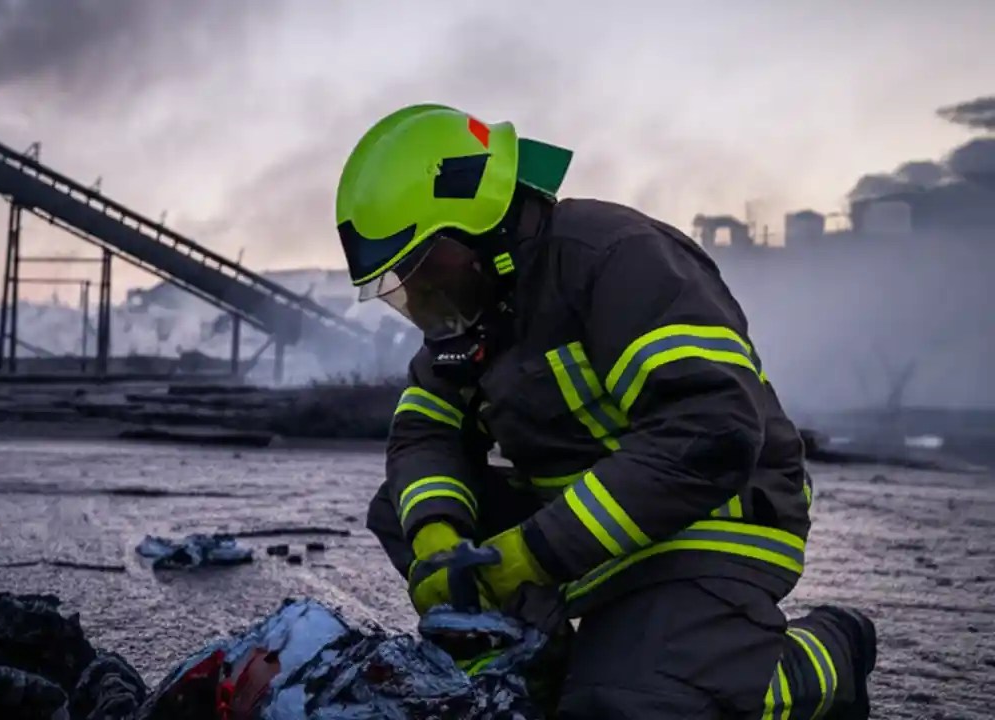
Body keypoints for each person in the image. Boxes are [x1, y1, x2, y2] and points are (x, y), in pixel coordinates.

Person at [335, 104, 878, 719]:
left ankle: (821, 661)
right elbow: (423, 431)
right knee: (402, 507)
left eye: (428, 271)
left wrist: (536, 553)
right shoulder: (477, 313)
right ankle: (537, 665)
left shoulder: (616, 258)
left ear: (484, 227)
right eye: (402, 286)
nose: (423, 299)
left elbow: (711, 433)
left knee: (626, 708)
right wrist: (438, 531)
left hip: (707, 519)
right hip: (589, 533)